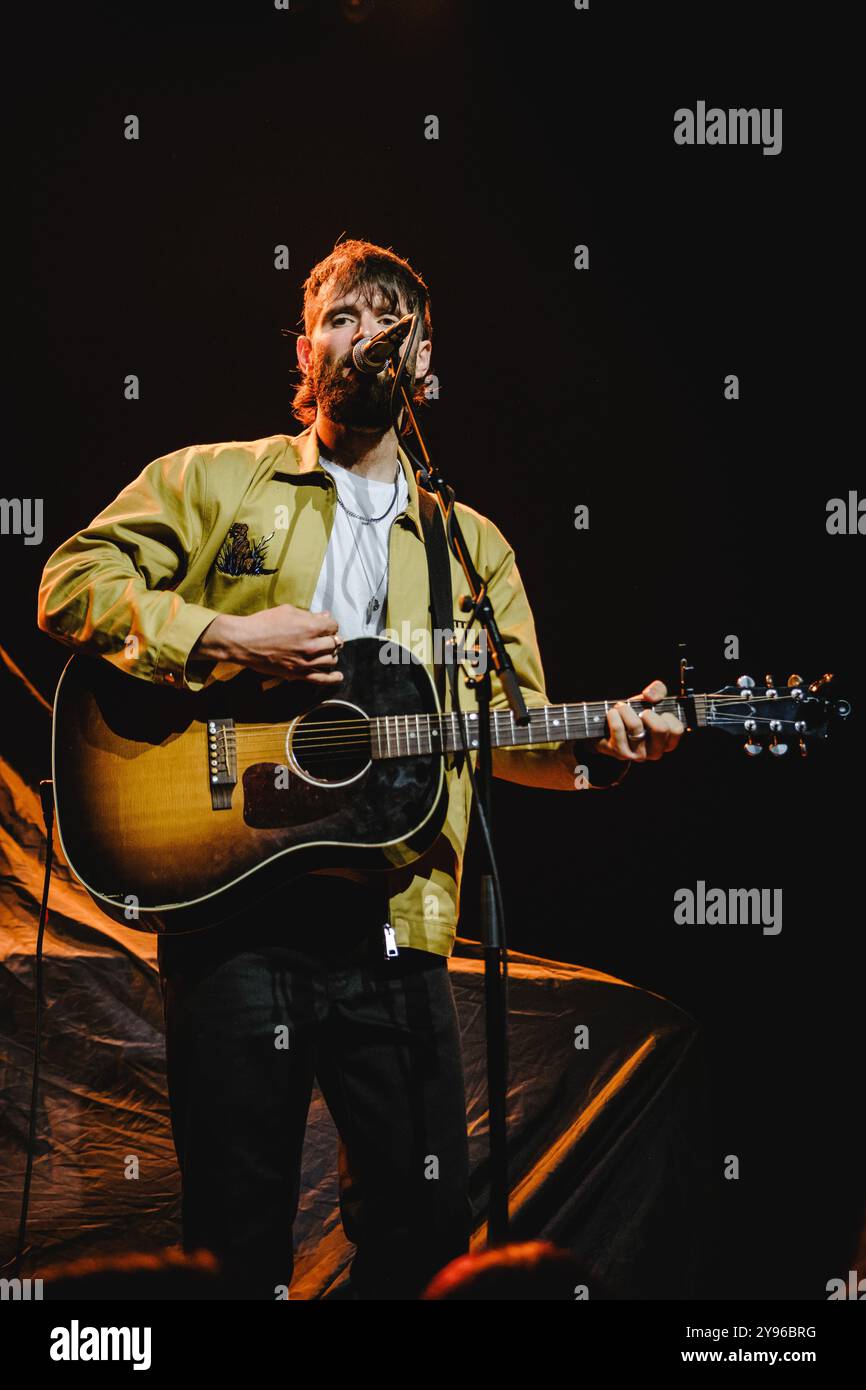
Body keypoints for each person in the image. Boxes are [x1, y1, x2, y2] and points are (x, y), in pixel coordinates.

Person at [37, 238, 683, 1300]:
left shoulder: (467, 548)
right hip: (233, 911)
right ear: (304, 350)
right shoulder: (212, 481)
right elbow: (70, 582)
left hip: (394, 920)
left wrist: (603, 751)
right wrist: (219, 637)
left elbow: (510, 731)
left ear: (423, 364)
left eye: (389, 321)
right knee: (232, 1241)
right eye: (341, 316)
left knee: (422, 1232)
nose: (363, 334)